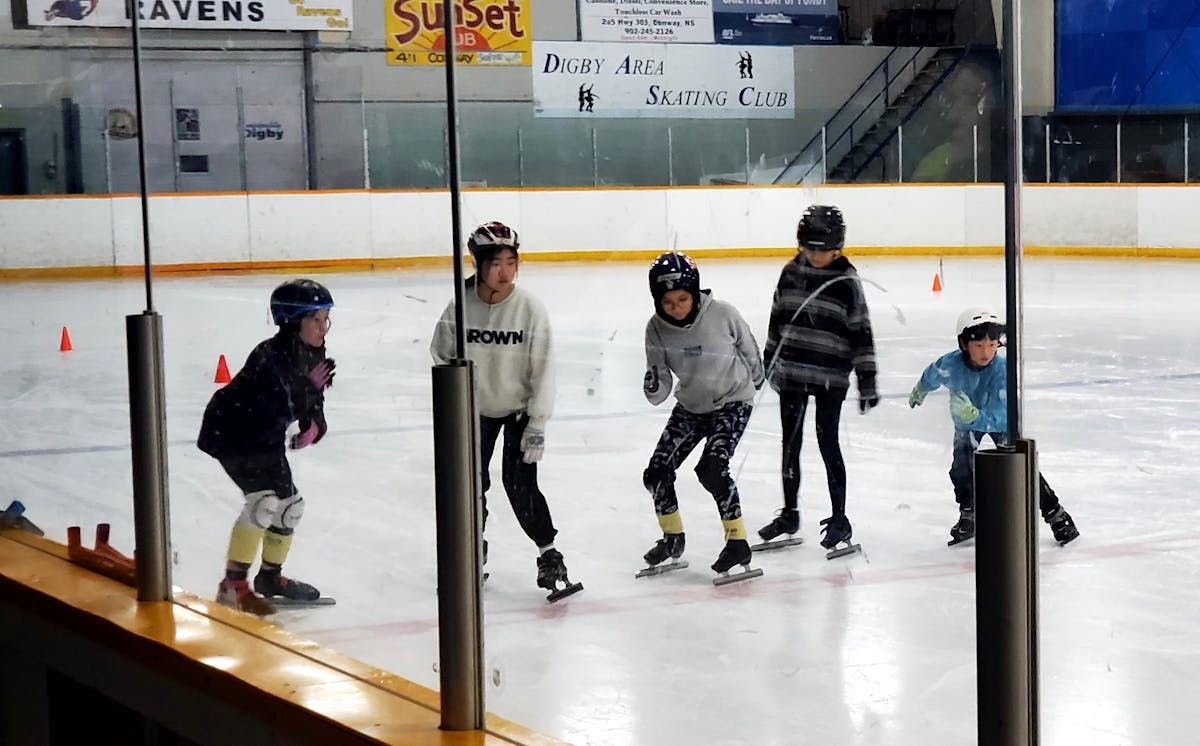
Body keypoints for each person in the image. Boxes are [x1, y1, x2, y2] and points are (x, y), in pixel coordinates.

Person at [430, 221, 579, 599]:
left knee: (521, 485)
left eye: (511, 262)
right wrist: (457, 403)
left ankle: (549, 554)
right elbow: (442, 351)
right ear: (478, 264)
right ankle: (469, 554)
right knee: (469, 487)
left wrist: (538, 422)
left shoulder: (529, 309)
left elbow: (543, 367)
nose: (505, 271)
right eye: (495, 263)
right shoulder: (460, 305)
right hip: (472, 414)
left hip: (517, 413)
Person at [198, 279, 337, 615]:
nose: (323, 327)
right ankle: (233, 583)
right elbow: (285, 398)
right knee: (264, 504)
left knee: (291, 507)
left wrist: (313, 425)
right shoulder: (269, 356)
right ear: (292, 322)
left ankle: (270, 578)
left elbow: (308, 401)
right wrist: (308, 394)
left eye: (325, 318)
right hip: (232, 432)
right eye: (315, 319)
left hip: (266, 437)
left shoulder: (310, 352)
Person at [757, 205, 879, 552]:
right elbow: (776, 319)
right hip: (792, 373)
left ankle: (839, 517)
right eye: (809, 249)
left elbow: (861, 331)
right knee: (790, 443)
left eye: (823, 250)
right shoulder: (789, 274)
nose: (816, 256)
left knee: (828, 443)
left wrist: (867, 379)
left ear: (837, 247)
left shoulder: (847, 282)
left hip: (830, 375)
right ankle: (790, 512)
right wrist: (769, 360)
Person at [909, 308, 1080, 545]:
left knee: (1021, 467)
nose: (986, 352)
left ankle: (1055, 514)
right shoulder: (950, 364)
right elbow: (932, 375)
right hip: (966, 425)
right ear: (964, 344)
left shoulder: (1002, 371)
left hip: (996, 421)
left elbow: (1002, 417)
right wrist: (921, 389)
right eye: (978, 346)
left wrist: (975, 416)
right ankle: (969, 513)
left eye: (991, 345)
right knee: (961, 469)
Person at [641, 252, 765, 577]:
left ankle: (737, 541)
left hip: (732, 401)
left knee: (712, 469)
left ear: (695, 292)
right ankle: (672, 539)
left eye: (683, 299)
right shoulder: (655, 329)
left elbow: (749, 348)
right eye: (668, 302)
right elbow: (660, 384)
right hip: (692, 407)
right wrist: (654, 385)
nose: (676, 307)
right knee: (656, 473)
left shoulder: (723, 314)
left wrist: (754, 381)